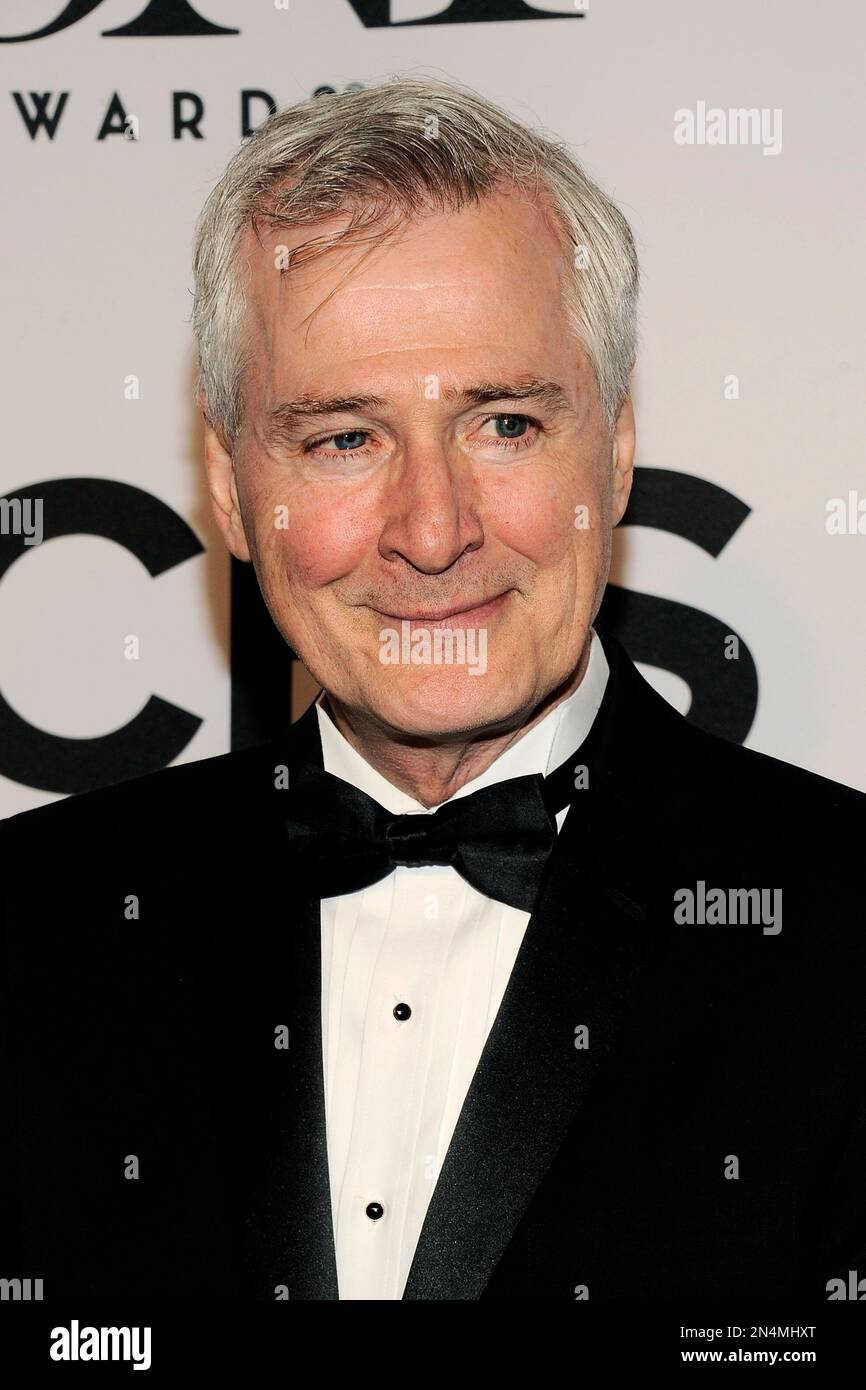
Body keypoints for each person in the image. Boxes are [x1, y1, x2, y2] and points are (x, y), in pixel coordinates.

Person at [1, 75, 864, 1303]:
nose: (431, 528)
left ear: (614, 447)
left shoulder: (839, 928)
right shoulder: (34, 935)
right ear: (232, 486)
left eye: (502, 423)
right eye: (342, 437)